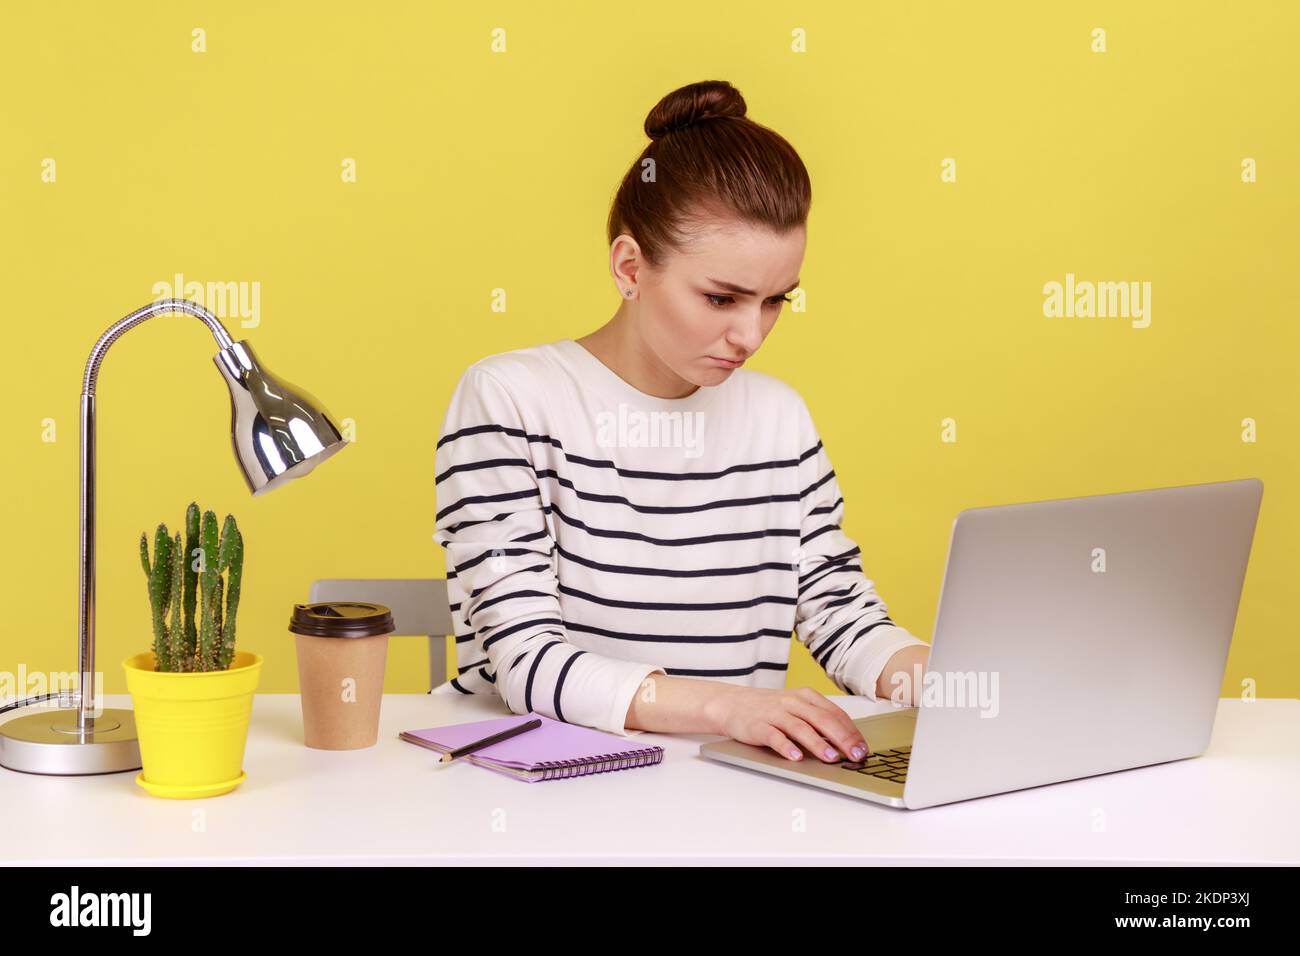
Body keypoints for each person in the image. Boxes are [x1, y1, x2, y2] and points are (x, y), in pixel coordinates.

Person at [433, 79, 930, 765]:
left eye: (775, 300)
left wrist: (950, 682)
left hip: (723, 785)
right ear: (630, 267)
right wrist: (728, 705)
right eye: (721, 297)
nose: (749, 334)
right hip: (532, 783)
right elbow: (525, 662)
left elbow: (839, 614)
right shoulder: (510, 399)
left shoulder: (779, 417)